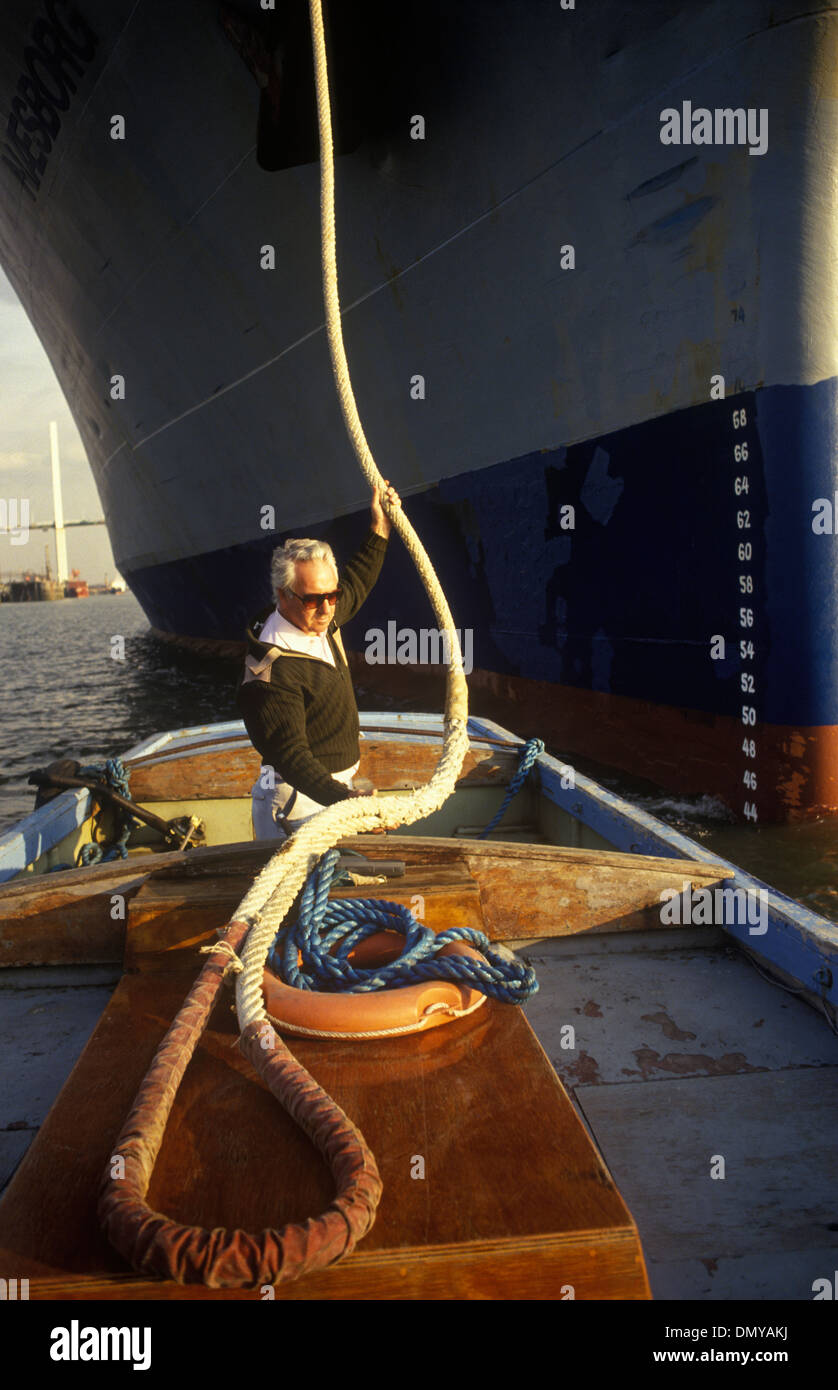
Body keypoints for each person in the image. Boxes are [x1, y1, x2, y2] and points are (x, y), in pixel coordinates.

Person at [237, 482, 401, 839]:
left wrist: (380, 528)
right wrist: (348, 800)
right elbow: (291, 757)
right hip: (298, 803)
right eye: (315, 599)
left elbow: (356, 583)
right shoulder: (269, 671)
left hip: (334, 791)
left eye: (333, 594)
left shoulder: (316, 615)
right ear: (283, 594)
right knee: (302, 895)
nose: (328, 608)